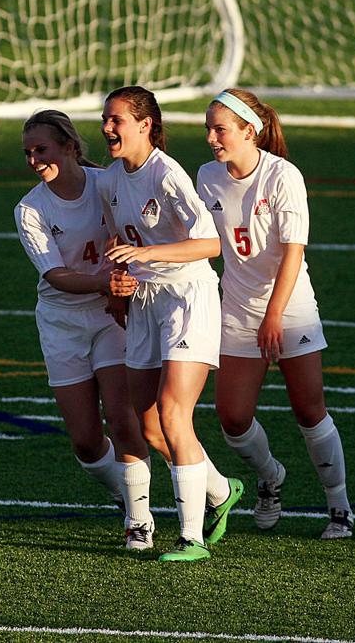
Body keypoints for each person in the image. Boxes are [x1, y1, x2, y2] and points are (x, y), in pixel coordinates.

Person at [197, 89, 354, 540]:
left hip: (290, 309)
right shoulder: (207, 176)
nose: (211, 138)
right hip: (236, 309)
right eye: (208, 129)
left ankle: (339, 507)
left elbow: (293, 254)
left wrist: (274, 316)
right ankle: (270, 477)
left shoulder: (283, 175)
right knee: (232, 417)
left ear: (250, 131)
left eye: (220, 129)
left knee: (309, 410)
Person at [99, 86, 242, 563]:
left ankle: (191, 538)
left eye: (116, 120)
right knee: (149, 424)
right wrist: (120, 281)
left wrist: (146, 254)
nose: (107, 128)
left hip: (187, 297)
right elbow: (118, 238)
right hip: (145, 301)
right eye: (105, 120)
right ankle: (220, 491)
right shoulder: (112, 179)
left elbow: (210, 244)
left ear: (145, 125)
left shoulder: (167, 174)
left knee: (173, 413)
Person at [13, 110, 152, 546]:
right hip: (62, 322)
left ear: (70, 147)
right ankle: (126, 494)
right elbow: (56, 275)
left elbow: (133, 237)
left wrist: (119, 287)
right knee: (87, 443)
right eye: (28, 153)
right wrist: (103, 282)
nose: (34, 160)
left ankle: (139, 521)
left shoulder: (108, 184)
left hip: (112, 316)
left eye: (42, 150)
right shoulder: (30, 208)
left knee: (123, 419)